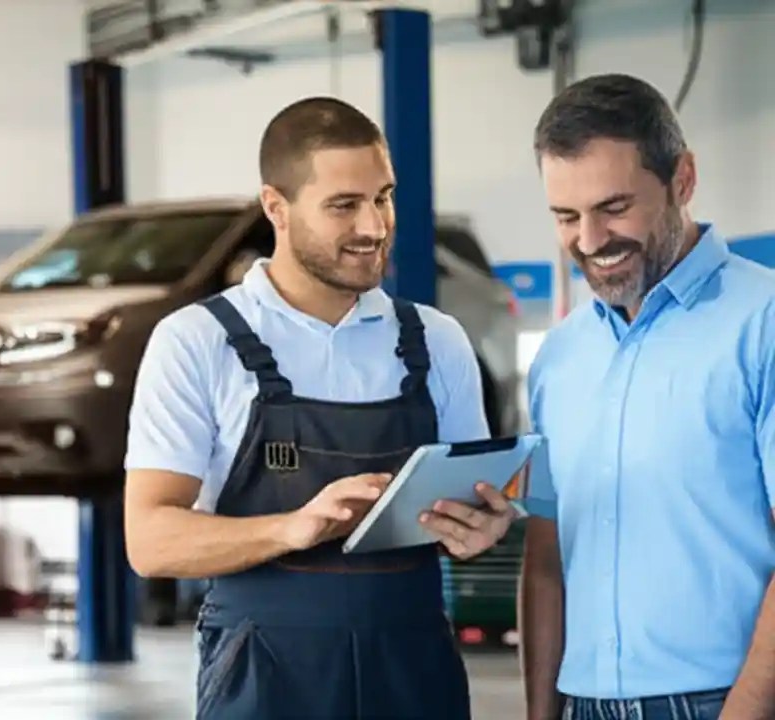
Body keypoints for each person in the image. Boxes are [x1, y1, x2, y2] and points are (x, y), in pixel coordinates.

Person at [122, 96, 518, 719]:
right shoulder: (199, 341)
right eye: (343, 205)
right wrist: (291, 528)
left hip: (413, 668)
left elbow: (468, 506)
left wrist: (481, 531)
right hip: (265, 671)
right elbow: (149, 540)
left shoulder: (437, 341)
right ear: (275, 208)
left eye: (382, 197)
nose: (374, 226)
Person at [519, 73, 775, 720]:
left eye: (613, 207)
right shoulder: (559, 358)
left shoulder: (763, 321)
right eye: (565, 216)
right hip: (583, 704)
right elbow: (547, 559)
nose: (590, 240)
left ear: (682, 180)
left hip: (723, 701)